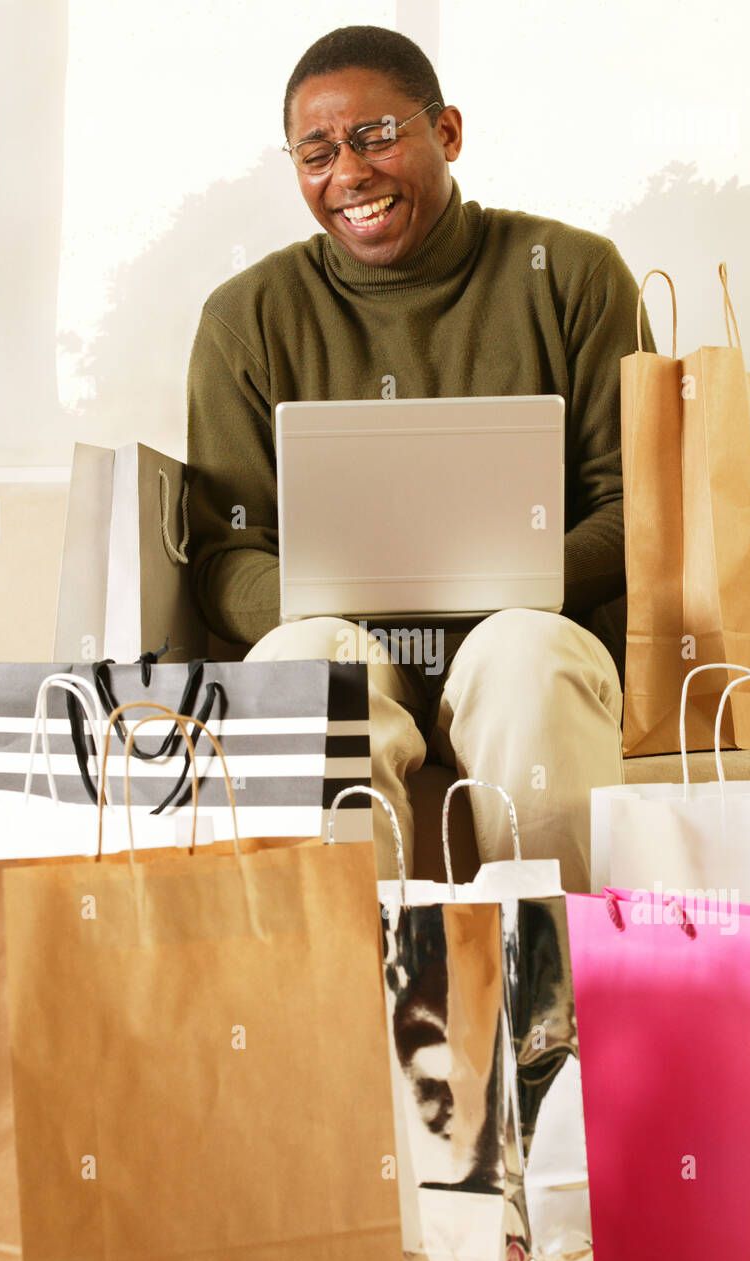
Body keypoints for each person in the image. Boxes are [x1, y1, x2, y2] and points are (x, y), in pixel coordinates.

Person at [186, 24, 655, 890]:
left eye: (375, 136)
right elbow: (223, 551)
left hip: (526, 651)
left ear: (447, 132)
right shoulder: (244, 319)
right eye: (317, 151)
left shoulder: (575, 277)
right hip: (350, 647)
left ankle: (551, 988)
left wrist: (495, 581)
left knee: (523, 655)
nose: (349, 174)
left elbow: (639, 512)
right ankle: (339, 989)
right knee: (302, 667)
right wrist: (335, 596)